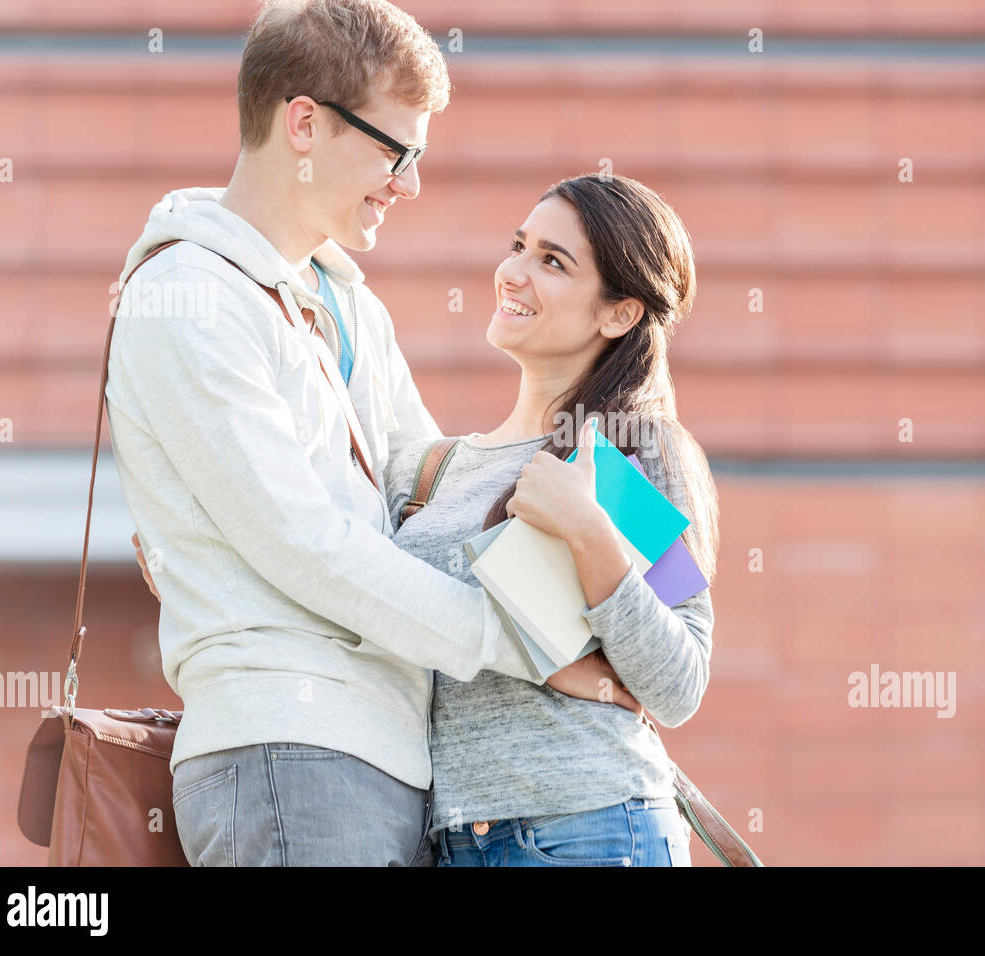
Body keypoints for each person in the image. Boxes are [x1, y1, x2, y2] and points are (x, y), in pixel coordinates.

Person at [110, 0, 630, 867]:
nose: (409, 184)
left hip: (391, 758)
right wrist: (531, 652)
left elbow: (432, 496)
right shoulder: (189, 298)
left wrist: (620, 507)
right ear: (304, 123)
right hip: (290, 748)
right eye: (395, 151)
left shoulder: (346, 303)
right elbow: (304, 544)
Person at [385, 174, 720, 867]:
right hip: (454, 839)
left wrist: (590, 530)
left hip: (589, 827)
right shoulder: (432, 472)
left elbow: (679, 681)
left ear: (619, 314)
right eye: (519, 247)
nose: (513, 273)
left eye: (552, 261)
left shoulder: (623, 455)